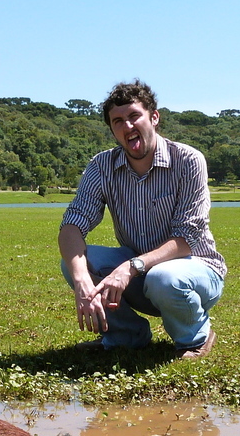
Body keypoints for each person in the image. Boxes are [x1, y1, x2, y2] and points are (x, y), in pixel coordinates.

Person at [58, 80, 226, 359]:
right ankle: (127, 336)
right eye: (118, 121)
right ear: (112, 129)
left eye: (134, 116)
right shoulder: (102, 166)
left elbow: (187, 239)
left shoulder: (188, 160)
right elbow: (72, 226)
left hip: (194, 272)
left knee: (163, 277)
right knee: (75, 262)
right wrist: (81, 281)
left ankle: (195, 337)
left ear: (154, 117)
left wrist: (131, 267)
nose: (127, 126)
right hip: (139, 276)